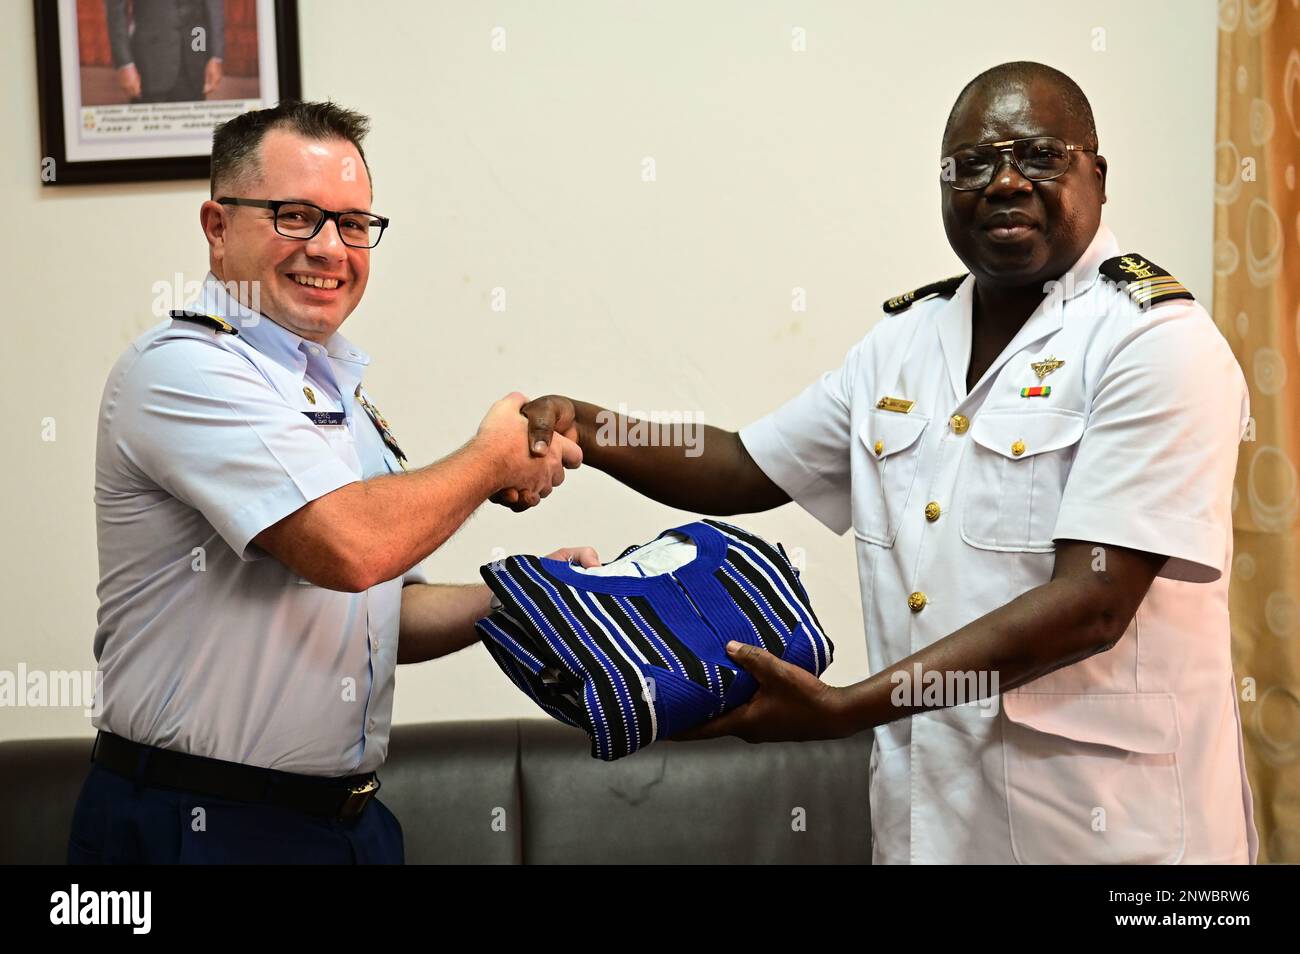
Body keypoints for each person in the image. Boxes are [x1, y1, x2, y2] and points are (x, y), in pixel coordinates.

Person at [516, 62, 1258, 864]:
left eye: (1038, 155)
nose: (1005, 181)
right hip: (933, 826)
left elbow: (1094, 601)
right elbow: (742, 463)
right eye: (972, 164)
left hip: (1112, 835)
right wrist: (587, 426)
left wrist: (848, 708)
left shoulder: (1155, 343)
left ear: (1096, 176)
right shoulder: (905, 344)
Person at [69, 100, 590, 865]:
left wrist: (525, 595)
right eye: (294, 215)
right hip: (204, 822)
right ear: (217, 228)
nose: (328, 248)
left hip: (345, 823)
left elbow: (381, 610)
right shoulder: (183, 368)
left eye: (352, 224)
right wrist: (490, 461)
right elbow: (349, 548)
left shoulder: (340, 394)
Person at [105, 0, 225, 103]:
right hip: (150, 63)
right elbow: (116, 13)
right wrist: (124, 63)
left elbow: (214, 5)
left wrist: (216, 56)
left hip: (195, 57)